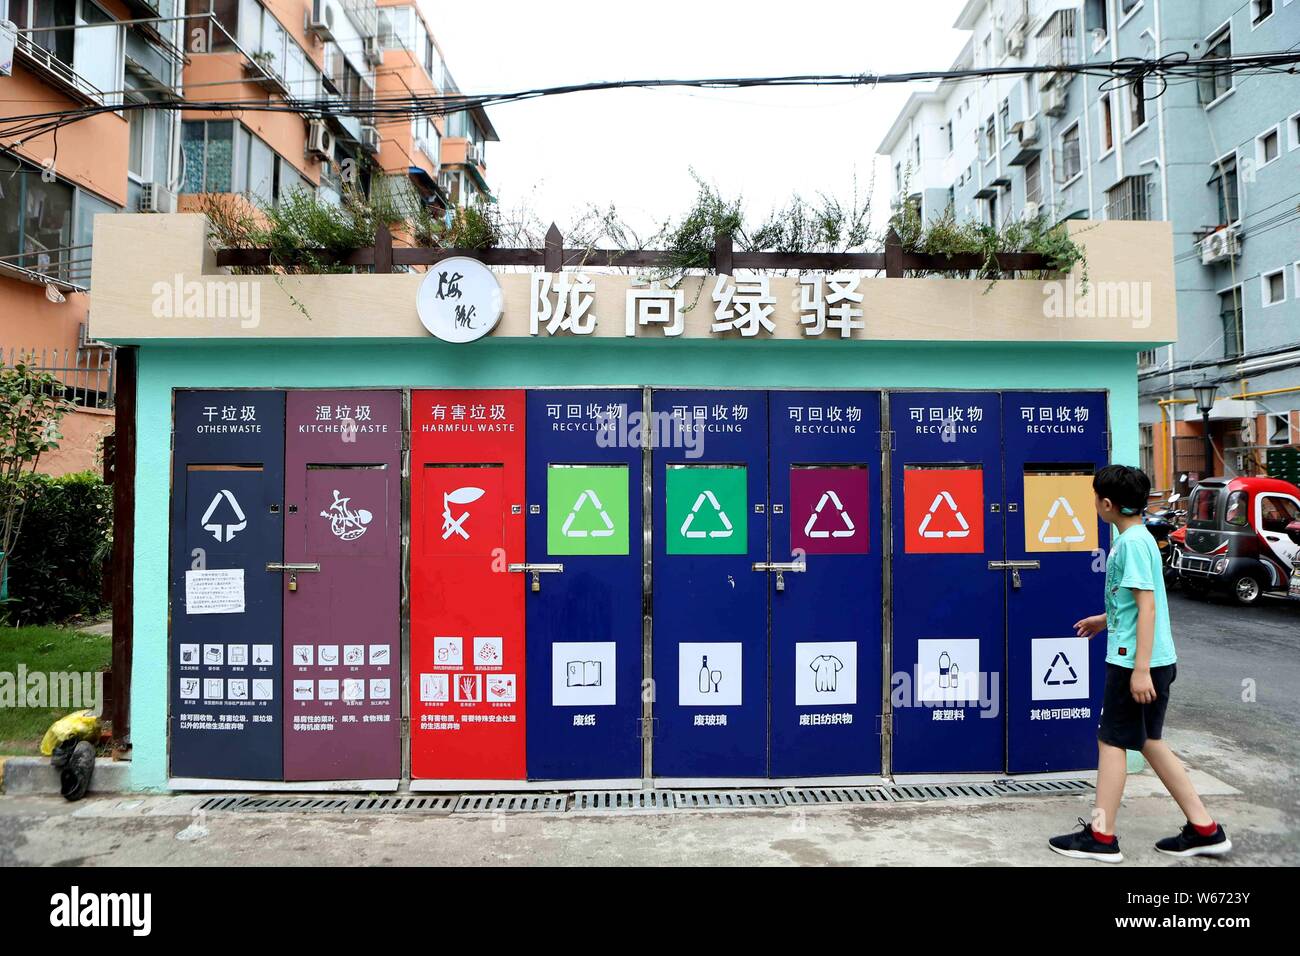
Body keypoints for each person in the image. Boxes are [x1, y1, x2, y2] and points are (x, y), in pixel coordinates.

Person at [1048, 464, 1231, 863]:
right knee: (1148, 740)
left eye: (1096, 497)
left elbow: (1146, 608)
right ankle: (1205, 829)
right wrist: (1105, 620)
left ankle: (1102, 835)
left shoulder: (1131, 544)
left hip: (1136, 662)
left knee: (1111, 740)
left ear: (1108, 504)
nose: (1094, 503)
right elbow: (1134, 604)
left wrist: (1140, 669)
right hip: (1154, 658)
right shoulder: (1142, 538)